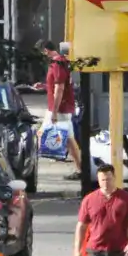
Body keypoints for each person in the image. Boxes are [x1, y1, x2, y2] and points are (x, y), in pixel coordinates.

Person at [42, 40, 82, 176]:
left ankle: (80, 168)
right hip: (62, 107)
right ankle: (80, 168)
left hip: (60, 108)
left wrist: (54, 112)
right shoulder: (61, 62)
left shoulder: (57, 64)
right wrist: (44, 86)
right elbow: (57, 85)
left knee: (64, 138)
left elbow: (59, 88)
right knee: (70, 139)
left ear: (46, 50)